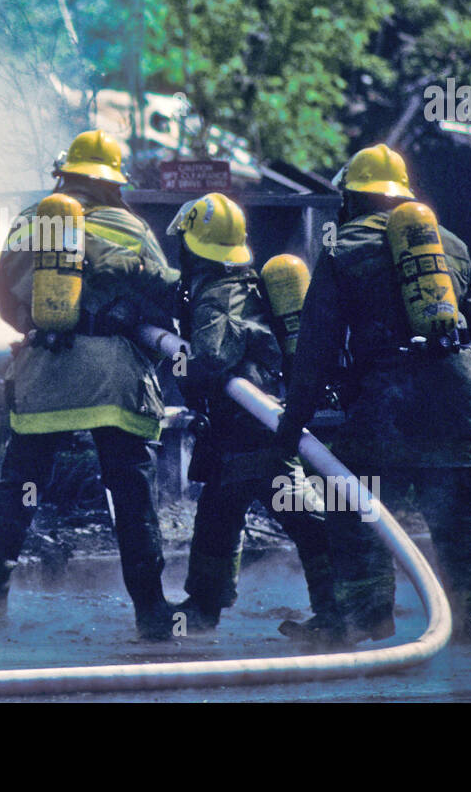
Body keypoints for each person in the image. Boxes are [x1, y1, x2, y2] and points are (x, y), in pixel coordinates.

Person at [272, 144, 471, 645]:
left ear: (351, 199)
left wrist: (291, 427)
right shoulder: (451, 246)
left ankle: (367, 617)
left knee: (352, 503)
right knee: (465, 528)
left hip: (388, 413)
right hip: (463, 407)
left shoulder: (342, 250)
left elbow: (315, 351)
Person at [0, 129, 182, 640]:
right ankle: (152, 614)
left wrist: (43, 322)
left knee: (19, 489)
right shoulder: (131, 227)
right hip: (113, 380)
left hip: (45, 372)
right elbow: (164, 299)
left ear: (63, 176)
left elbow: (5, 298)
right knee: (130, 493)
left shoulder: (30, 221)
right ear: (113, 183)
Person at [165, 193, 340, 641]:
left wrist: (176, 361)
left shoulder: (217, 295)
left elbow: (212, 358)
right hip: (243, 434)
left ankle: (336, 611)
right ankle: (205, 606)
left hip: (248, 434)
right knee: (219, 520)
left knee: (301, 518)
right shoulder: (239, 285)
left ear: (194, 247)